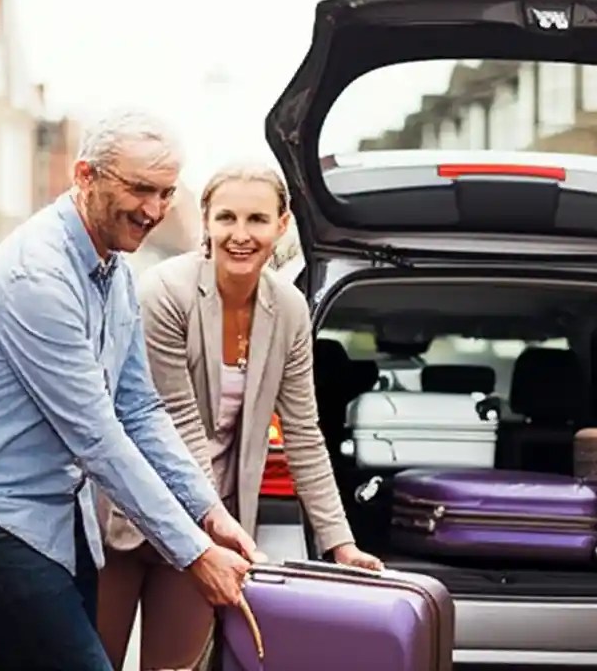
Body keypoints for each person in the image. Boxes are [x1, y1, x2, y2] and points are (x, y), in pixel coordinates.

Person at [0, 111, 264, 671]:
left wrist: (209, 513)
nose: (153, 210)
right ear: (85, 176)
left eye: (164, 192)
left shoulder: (114, 273)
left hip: (61, 523)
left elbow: (139, 408)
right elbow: (98, 438)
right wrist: (196, 554)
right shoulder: (38, 277)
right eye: (137, 189)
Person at [95, 162, 383, 670]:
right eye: (227, 218)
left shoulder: (289, 309)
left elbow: (302, 432)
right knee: (92, 662)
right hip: (130, 516)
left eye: (257, 219)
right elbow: (173, 420)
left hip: (211, 526)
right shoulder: (164, 292)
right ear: (205, 222)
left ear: (282, 224)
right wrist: (216, 528)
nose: (241, 235)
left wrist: (341, 544)